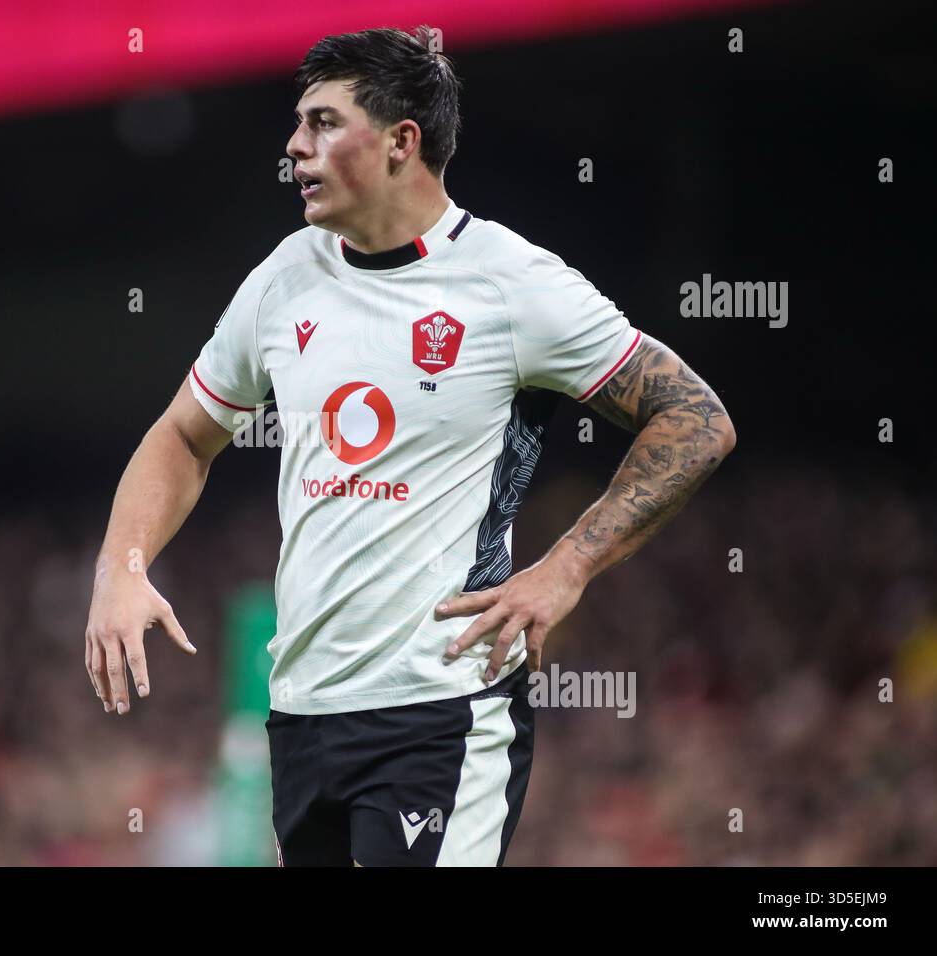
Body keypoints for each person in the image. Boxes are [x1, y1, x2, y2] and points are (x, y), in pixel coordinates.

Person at [85, 26, 735, 866]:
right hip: (304, 711)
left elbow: (695, 416)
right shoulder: (285, 277)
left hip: (441, 708)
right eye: (297, 122)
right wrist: (121, 567)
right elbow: (182, 434)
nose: (294, 144)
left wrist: (566, 566)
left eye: (322, 122)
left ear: (401, 142)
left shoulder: (512, 284)